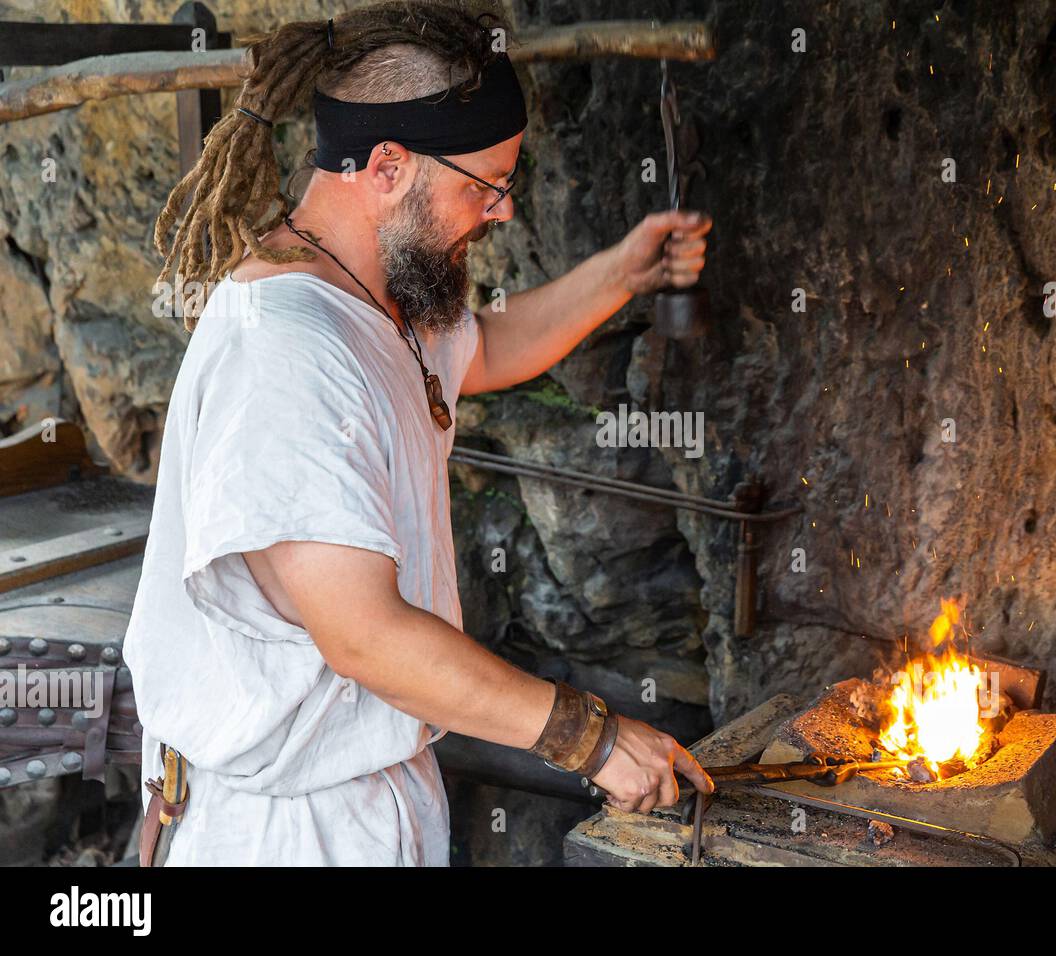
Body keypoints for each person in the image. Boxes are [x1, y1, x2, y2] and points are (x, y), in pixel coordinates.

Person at [123, 0, 714, 865]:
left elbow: (485, 350)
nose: (501, 212)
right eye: (484, 185)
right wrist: (588, 738)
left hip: (359, 796)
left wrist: (623, 272)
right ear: (389, 166)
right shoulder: (287, 353)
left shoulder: (371, 295)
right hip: (287, 834)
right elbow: (363, 633)